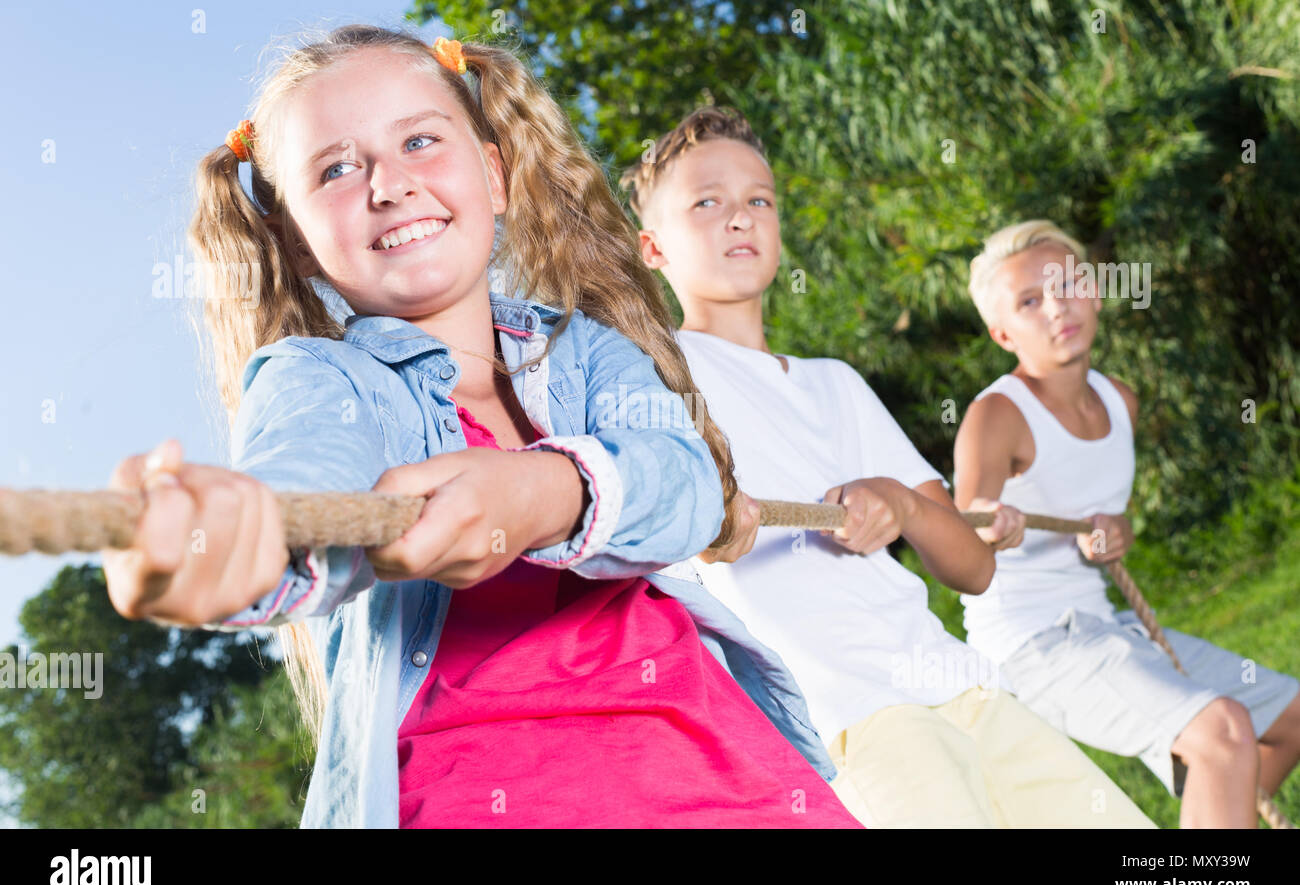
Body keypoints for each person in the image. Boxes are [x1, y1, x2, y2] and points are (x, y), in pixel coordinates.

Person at [101, 26, 861, 829]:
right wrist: (220, 540)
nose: (388, 185)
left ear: (494, 175)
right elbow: (302, 479)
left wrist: (546, 490)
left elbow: (685, 486)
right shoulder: (322, 380)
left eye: (420, 141)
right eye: (335, 169)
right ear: (297, 242)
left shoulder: (585, 352)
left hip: (740, 779)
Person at [620, 106, 1155, 827]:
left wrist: (902, 507)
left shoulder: (835, 382)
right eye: (706, 202)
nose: (740, 217)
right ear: (652, 247)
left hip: (965, 686)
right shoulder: (658, 377)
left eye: (759, 200)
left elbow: (973, 567)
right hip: (848, 718)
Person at [954, 218, 1300, 828]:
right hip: (1032, 643)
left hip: (1102, 624)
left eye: (1068, 284)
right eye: (1030, 301)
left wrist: (1117, 531)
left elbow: (1111, 523)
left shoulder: (1120, 400)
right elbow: (966, 521)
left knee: (1288, 718)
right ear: (1002, 332)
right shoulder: (998, 414)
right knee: (1223, 731)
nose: (1057, 307)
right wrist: (989, 523)